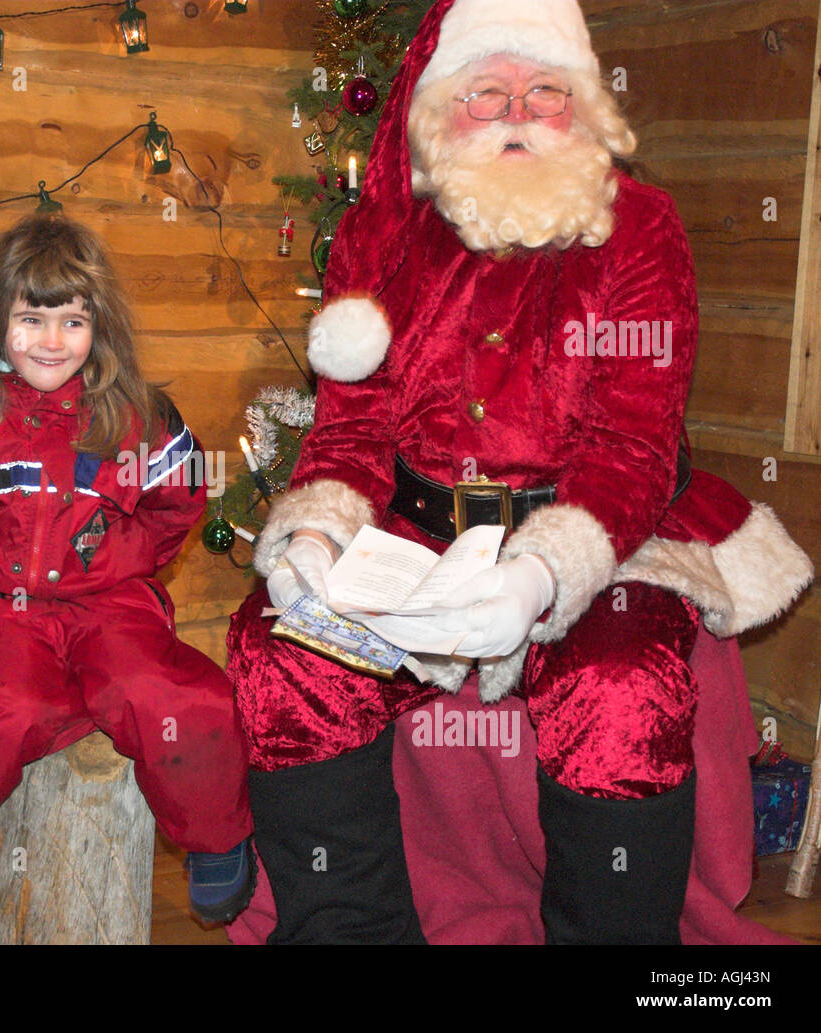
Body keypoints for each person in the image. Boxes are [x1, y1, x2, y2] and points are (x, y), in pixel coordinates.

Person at [227, 0, 813, 944]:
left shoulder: (642, 230)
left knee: (620, 688)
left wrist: (543, 574)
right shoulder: (393, 239)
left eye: (545, 93)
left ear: (583, 110)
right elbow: (352, 427)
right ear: (440, 112)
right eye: (487, 93)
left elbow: (634, 445)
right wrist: (312, 536)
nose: (516, 115)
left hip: (600, 533)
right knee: (286, 652)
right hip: (413, 534)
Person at [0, 214, 254, 939]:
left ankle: (217, 832)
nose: (50, 341)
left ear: (99, 326)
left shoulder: (135, 411)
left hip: (110, 601)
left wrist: (129, 558)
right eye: (30, 318)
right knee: (10, 706)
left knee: (160, 687)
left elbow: (184, 494)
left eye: (72, 321)